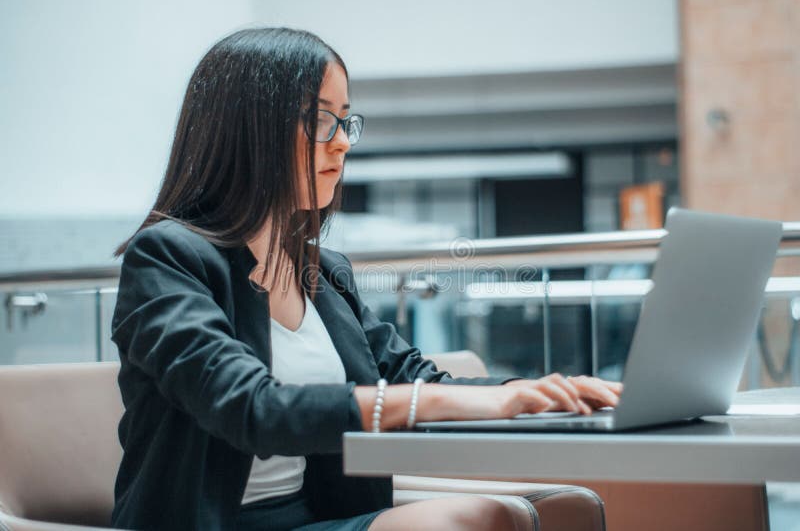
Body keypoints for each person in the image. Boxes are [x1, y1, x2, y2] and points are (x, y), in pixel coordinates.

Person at [110, 27, 622, 531]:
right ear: (250, 126)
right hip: (214, 523)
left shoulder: (323, 271)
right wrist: (441, 401)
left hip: (320, 517)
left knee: (501, 515)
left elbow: (413, 379)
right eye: (322, 120)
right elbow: (250, 409)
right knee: (478, 519)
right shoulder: (165, 258)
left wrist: (540, 392)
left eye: (346, 121)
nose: (341, 144)